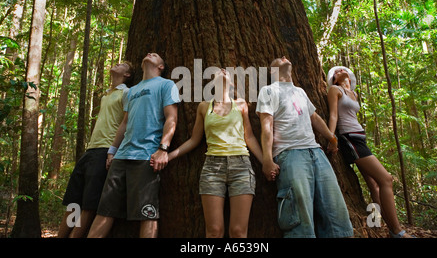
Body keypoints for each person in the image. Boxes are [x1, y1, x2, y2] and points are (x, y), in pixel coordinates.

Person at [162, 68, 268, 238]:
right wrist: (168, 155)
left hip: (241, 166)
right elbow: (194, 140)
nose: (223, 70)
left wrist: (266, 162)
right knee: (214, 232)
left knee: (238, 232)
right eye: (219, 71)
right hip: (212, 168)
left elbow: (249, 137)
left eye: (226, 71)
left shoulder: (240, 104)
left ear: (232, 83)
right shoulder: (204, 106)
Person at [256, 56, 353, 238]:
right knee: (300, 219)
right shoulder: (268, 91)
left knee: (336, 214)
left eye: (286, 57)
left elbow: (314, 118)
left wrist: (332, 139)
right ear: (271, 71)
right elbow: (266, 126)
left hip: (317, 153)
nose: (284, 57)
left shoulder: (299, 91)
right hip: (290, 155)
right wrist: (267, 159)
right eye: (279, 59)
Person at [87, 53, 180, 238]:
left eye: (156, 55)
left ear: (161, 66)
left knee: (147, 213)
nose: (150, 53)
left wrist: (163, 149)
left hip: (146, 156)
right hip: (121, 156)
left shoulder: (167, 84)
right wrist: (112, 150)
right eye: (148, 53)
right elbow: (124, 123)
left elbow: (172, 117)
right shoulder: (132, 90)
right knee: (105, 210)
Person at [326, 66, 414, 238]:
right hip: (349, 138)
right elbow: (334, 116)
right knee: (386, 179)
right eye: (335, 73)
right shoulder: (334, 90)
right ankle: (396, 231)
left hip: (360, 137)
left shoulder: (354, 94)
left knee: (374, 184)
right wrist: (331, 138)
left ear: (349, 77)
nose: (339, 71)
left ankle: (376, 223)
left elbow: (352, 115)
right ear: (334, 80)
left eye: (341, 69)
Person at [58, 62, 134, 238]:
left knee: (88, 205)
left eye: (122, 64)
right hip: (90, 150)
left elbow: (126, 122)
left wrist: (113, 151)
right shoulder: (106, 95)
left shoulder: (127, 93)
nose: (117, 63)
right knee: (74, 203)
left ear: (128, 75)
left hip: (104, 150)